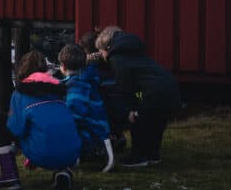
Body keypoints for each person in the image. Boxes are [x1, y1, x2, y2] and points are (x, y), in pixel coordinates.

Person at [0, 51, 81, 190]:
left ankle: (9, 176)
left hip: (42, 153)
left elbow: (17, 129)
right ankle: (62, 171)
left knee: (0, 120)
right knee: (57, 126)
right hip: (73, 154)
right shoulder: (60, 89)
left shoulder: (20, 93)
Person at [96, 26, 181, 167]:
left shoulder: (117, 58)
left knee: (139, 123)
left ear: (107, 48)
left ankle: (138, 157)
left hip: (152, 92)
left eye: (101, 51)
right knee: (156, 125)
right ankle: (153, 155)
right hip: (168, 87)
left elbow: (125, 87)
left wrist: (130, 109)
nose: (101, 55)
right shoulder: (133, 51)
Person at [58, 43, 112, 164]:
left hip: (93, 133)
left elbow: (75, 113)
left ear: (63, 66)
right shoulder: (88, 78)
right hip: (99, 127)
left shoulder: (76, 86)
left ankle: (90, 153)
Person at [80, 30, 129, 151]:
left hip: (106, 114)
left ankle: (107, 139)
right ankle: (116, 135)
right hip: (124, 112)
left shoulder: (90, 70)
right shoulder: (114, 63)